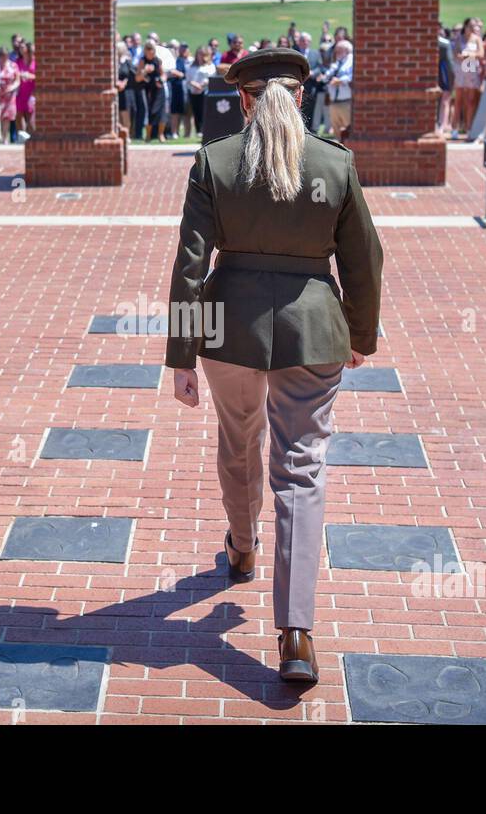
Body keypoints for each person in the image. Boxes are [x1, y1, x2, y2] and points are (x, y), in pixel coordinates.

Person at [165, 48, 382, 685]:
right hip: (313, 330)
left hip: (229, 329)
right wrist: (361, 333)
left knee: (239, 444)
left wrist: (182, 353)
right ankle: (296, 632)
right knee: (302, 469)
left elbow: (190, 266)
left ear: (246, 102)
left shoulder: (215, 161)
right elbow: (365, 259)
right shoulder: (334, 163)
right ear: (300, 99)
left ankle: (242, 546)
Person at [138, 41, 167, 142]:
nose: (150, 54)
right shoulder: (142, 61)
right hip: (148, 90)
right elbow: (137, 78)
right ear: (145, 51)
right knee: (150, 112)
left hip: (159, 89)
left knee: (162, 112)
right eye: (148, 51)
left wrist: (161, 80)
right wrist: (145, 71)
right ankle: (148, 135)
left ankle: (160, 135)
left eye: (152, 51)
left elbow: (163, 75)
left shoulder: (157, 61)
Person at [185, 45, 215, 136]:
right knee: (196, 111)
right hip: (193, 91)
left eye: (204, 55)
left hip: (205, 91)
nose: (202, 57)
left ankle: (204, 129)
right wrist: (194, 84)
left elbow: (212, 77)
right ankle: (198, 130)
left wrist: (203, 84)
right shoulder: (192, 66)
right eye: (200, 54)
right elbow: (188, 79)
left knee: (204, 111)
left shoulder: (210, 66)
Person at [326, 40, 353, 140]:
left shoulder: (352, 61)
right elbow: (328, 75)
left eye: (339, 50)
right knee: (337, 133)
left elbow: (352, 76)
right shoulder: (338, 62)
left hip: (346, 101)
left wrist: (340, 81)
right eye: (336, 50)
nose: (336, 52)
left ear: (346, 50)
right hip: (333, 102)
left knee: (349, 130)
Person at [0, 46, 21, 143]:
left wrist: (12, 88)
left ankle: (5, 138)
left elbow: (17, 80)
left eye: (5, 55)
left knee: (7, 117)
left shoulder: (13, 65)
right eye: (2, 55)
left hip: (10, 95)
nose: (4, 57)